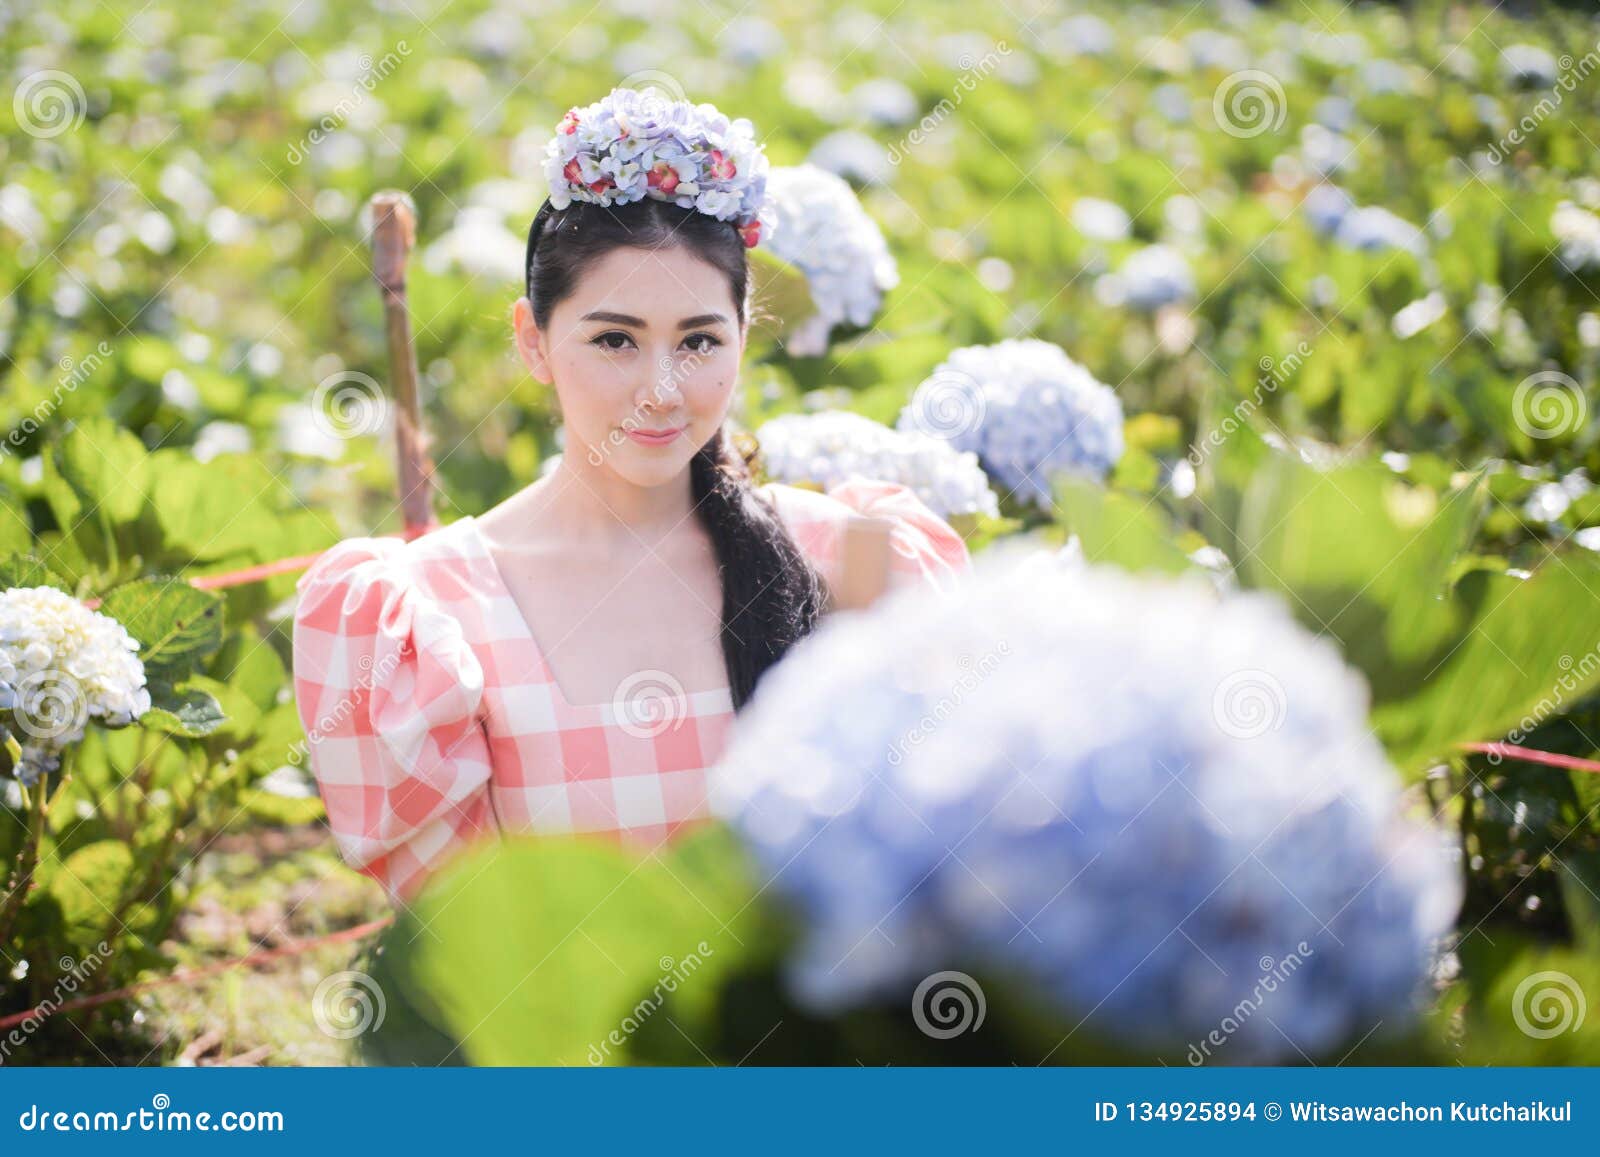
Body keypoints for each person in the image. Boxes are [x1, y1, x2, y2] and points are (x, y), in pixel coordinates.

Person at [291, 88, 970, 904]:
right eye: (614, 339)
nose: (661, 391)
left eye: (699, 342)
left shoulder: (850, 555)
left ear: (744, 336)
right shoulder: (430, 617)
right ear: (531, 340)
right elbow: (469, 952)